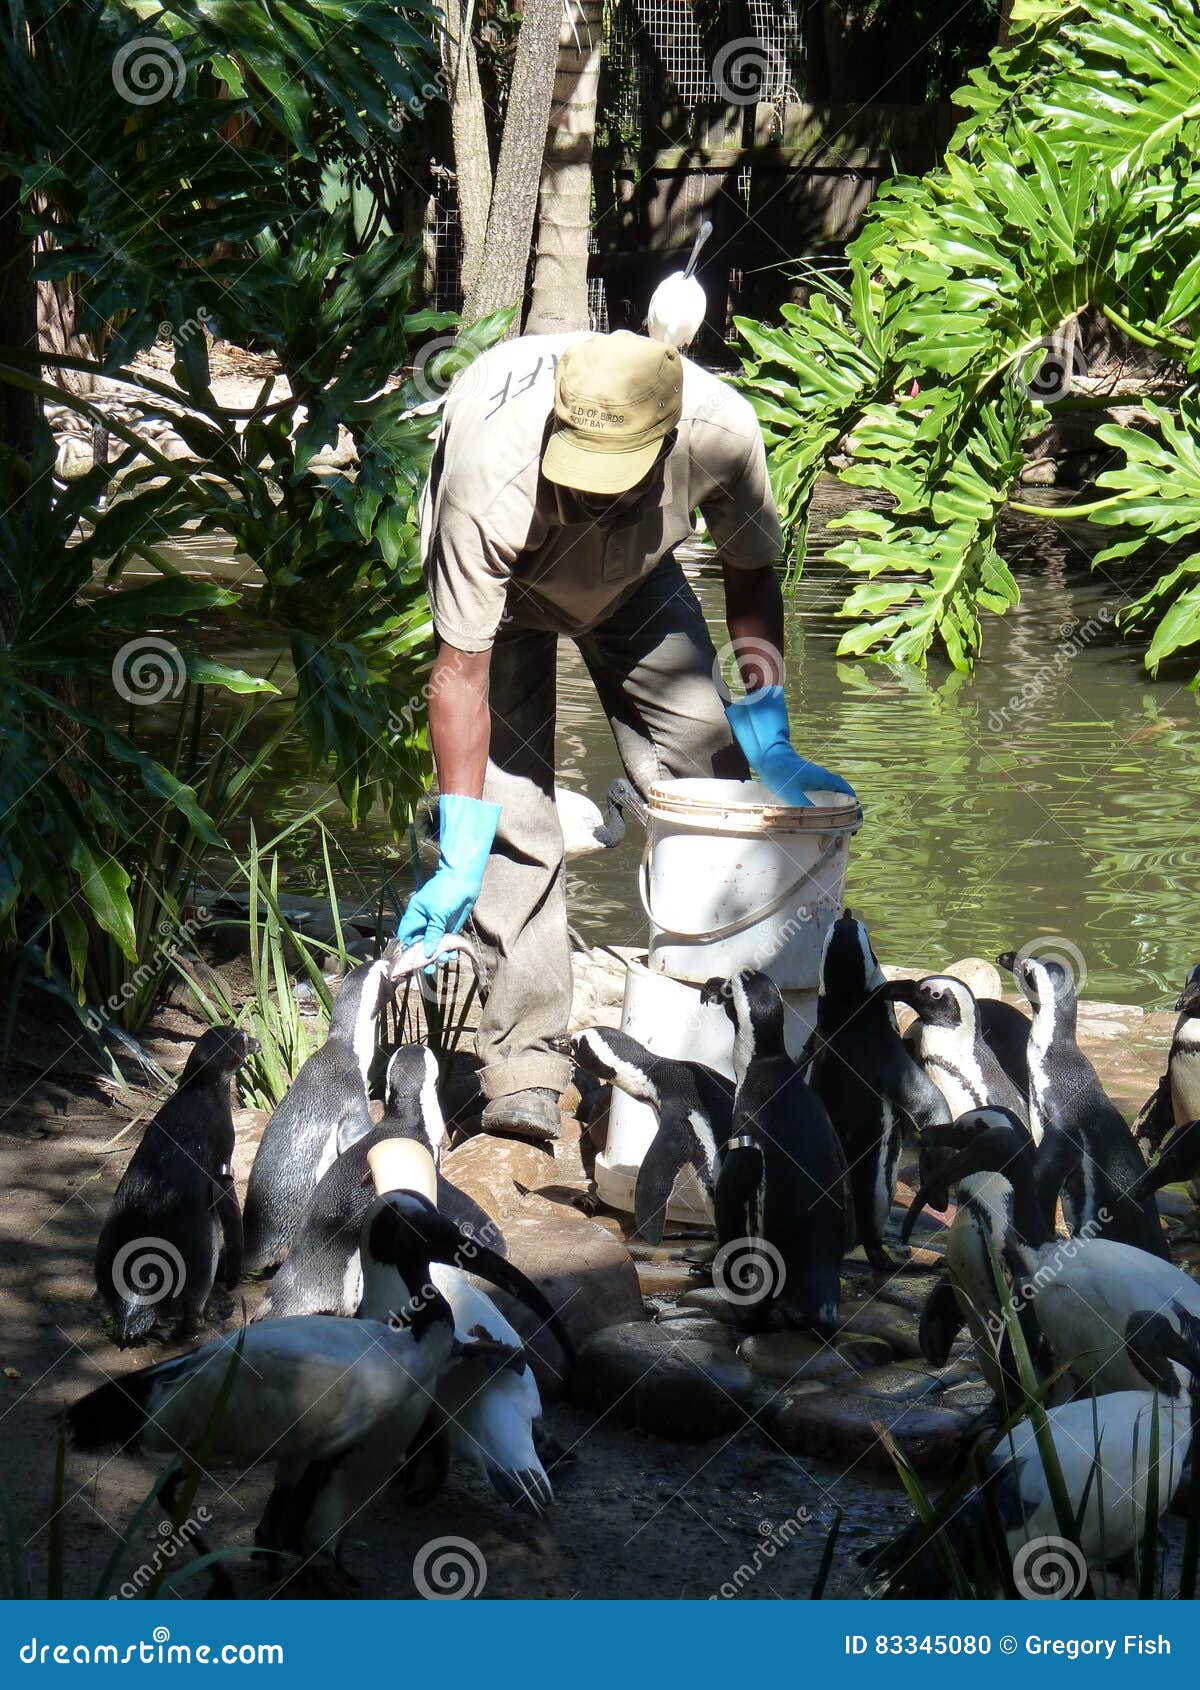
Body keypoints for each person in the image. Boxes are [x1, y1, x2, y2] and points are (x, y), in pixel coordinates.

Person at [400, 329, 855, 1142]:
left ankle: (727, 1041)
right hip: (504, 593)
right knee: (513, 817)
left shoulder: (722, 432)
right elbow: (459, 671)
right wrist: (462, 836)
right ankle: (523, 1067)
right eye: (583, 477)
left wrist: (769, 730)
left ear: (671, 437)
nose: (594, 499)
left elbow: (750, 577)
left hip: (639, 577)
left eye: (613, 482)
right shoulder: (490, 467)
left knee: (714, 771)